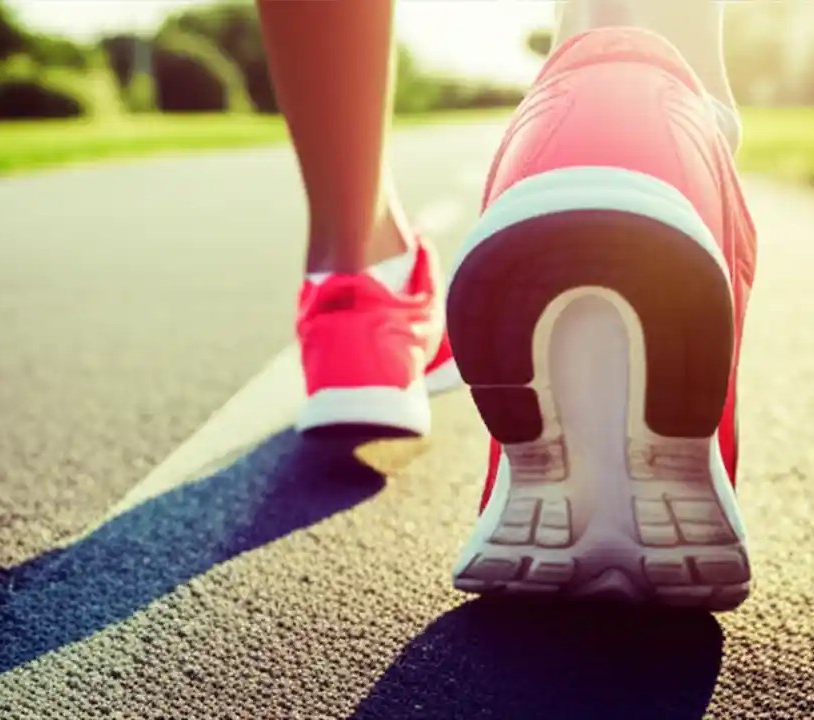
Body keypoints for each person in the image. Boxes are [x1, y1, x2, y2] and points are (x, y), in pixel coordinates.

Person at [259, 0, 758, 612]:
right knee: (646, 49)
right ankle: (650, 88)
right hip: (667, 137)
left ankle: (355, 277)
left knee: (356, 248)